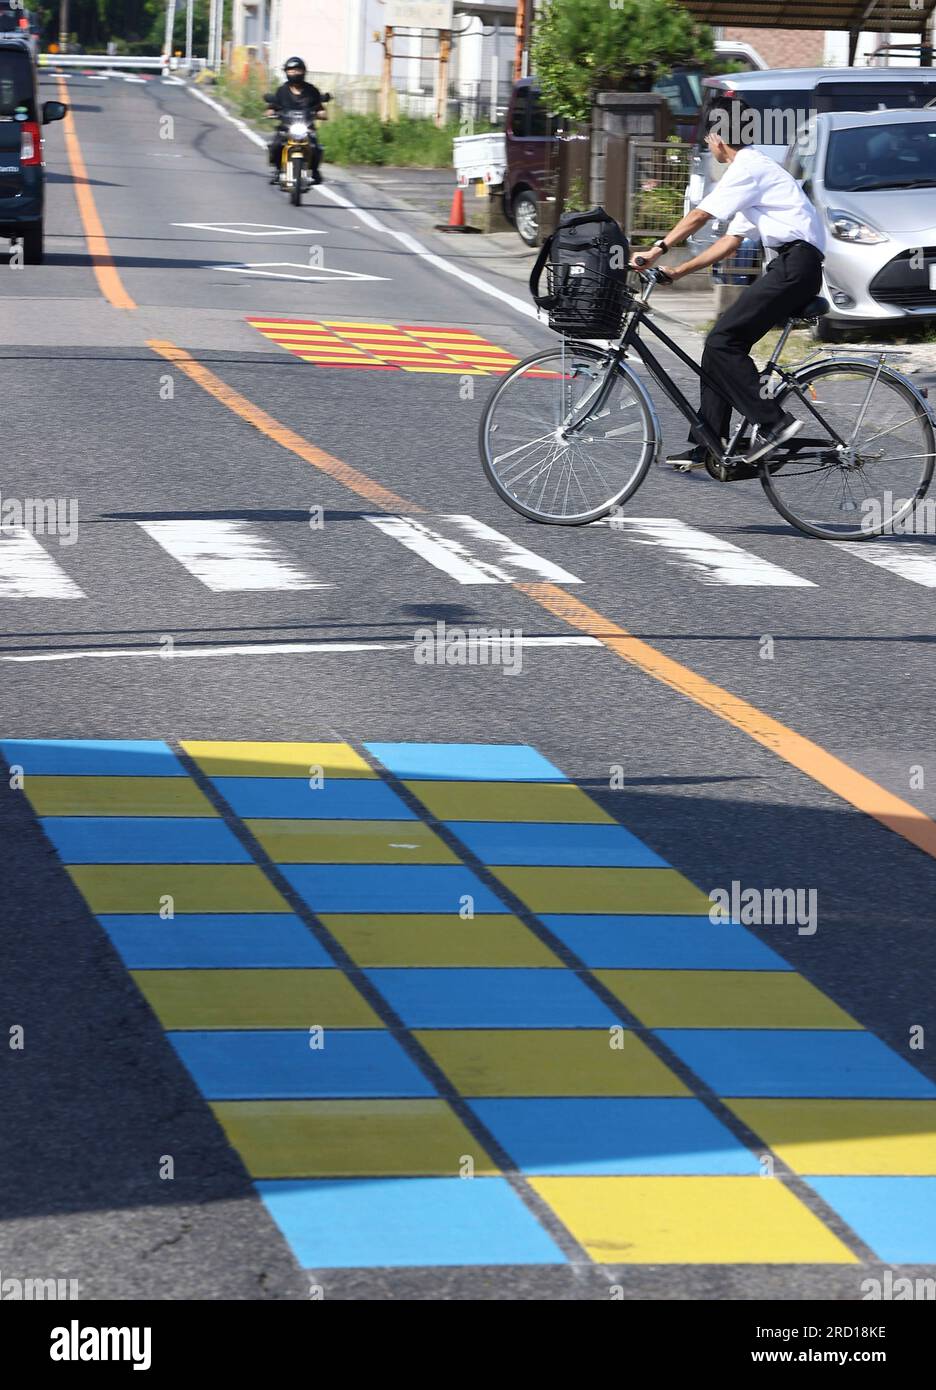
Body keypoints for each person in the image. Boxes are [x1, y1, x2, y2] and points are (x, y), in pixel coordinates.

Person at [632, 96, 826, 469]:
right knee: (718, 345)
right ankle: (710, 443)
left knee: (723, 341)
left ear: (719, 137)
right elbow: (730, 241)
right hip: (793, 267)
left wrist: (658, 249)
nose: (707, 144)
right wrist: (678, 271)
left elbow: (701, 215)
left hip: (795, 267)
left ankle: (774, 423)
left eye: (708, 137)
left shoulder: (747, 168)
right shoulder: (755, 172)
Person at [266, 56, 326, 185]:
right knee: (276, 145)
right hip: (286, 127)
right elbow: (273, 105)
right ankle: (278, 171)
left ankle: (315, 171)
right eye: (291, 70)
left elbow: (319, 106)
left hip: (307, 127)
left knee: (315, 147)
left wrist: (321, 113)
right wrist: (270, 111)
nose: (294, 73)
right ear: (286, 72)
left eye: (297, 70)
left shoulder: (312, 90)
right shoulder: (282, 90)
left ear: (303, 72)